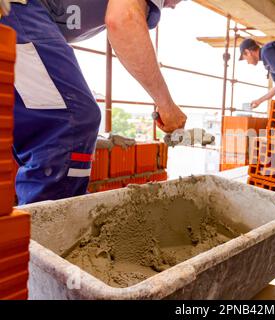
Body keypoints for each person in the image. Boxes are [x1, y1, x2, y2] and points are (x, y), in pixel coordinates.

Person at [0, 0, 187, 205]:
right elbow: (123, 20)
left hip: (17, 14)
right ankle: (51, 229)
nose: (175, 6)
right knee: (72, 119)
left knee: (44, 116)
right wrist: (167, 105)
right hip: (12, 9)